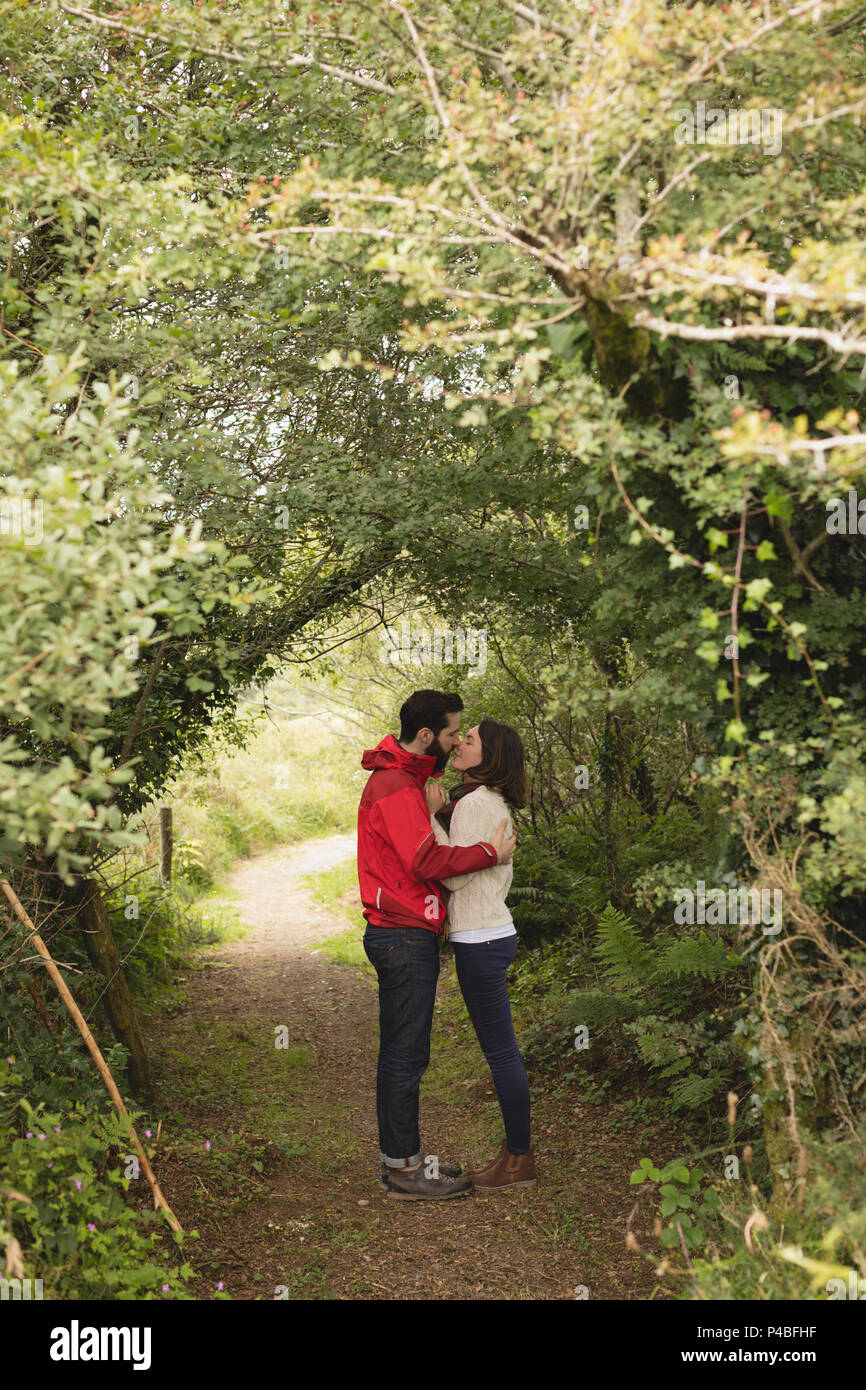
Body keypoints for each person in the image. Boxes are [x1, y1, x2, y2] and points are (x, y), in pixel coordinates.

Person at [357, 689, 516, 1200]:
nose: (455, 741)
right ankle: (404, 1170)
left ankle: (404, 1160)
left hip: (408, 930)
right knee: (405, 1052)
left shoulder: (407, 781)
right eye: (452, 733)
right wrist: (489, 851)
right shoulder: (395, 785)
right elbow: (424, 863)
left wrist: (437, 807)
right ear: (427, 735)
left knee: (407, 1049)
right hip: (401, 933)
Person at [428, 720, 536, 1190]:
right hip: (492, 933)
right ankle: (513, 1154)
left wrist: (433, 816)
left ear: (488, 756)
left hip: (481, 939)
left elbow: (453, 876)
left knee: (501, 1054)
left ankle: (518, 1161)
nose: (459, 744)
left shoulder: (471, 804)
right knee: (502, 1051)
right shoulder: (493, 801)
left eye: (468, 741)